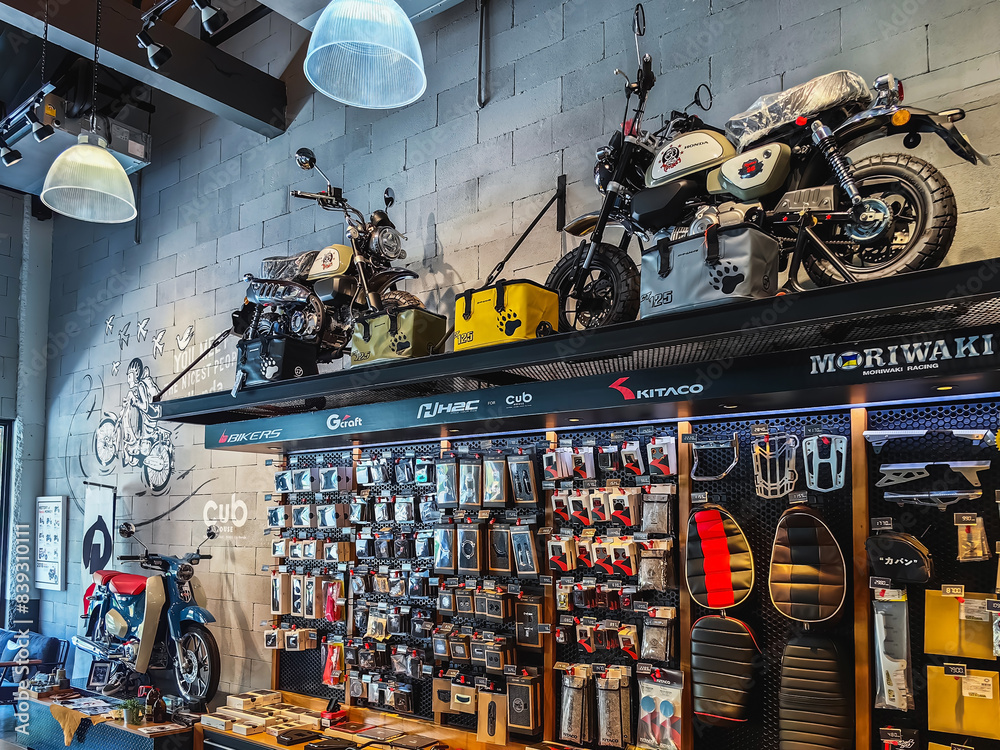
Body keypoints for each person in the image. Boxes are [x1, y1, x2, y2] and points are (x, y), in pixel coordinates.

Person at [122, 358, 162, 467]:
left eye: (129, 376)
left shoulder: (140, 386)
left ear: (135, 376)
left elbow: (145, 406)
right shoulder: (134, 389)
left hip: (145, 423)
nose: (128, 380)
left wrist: (135, 402)